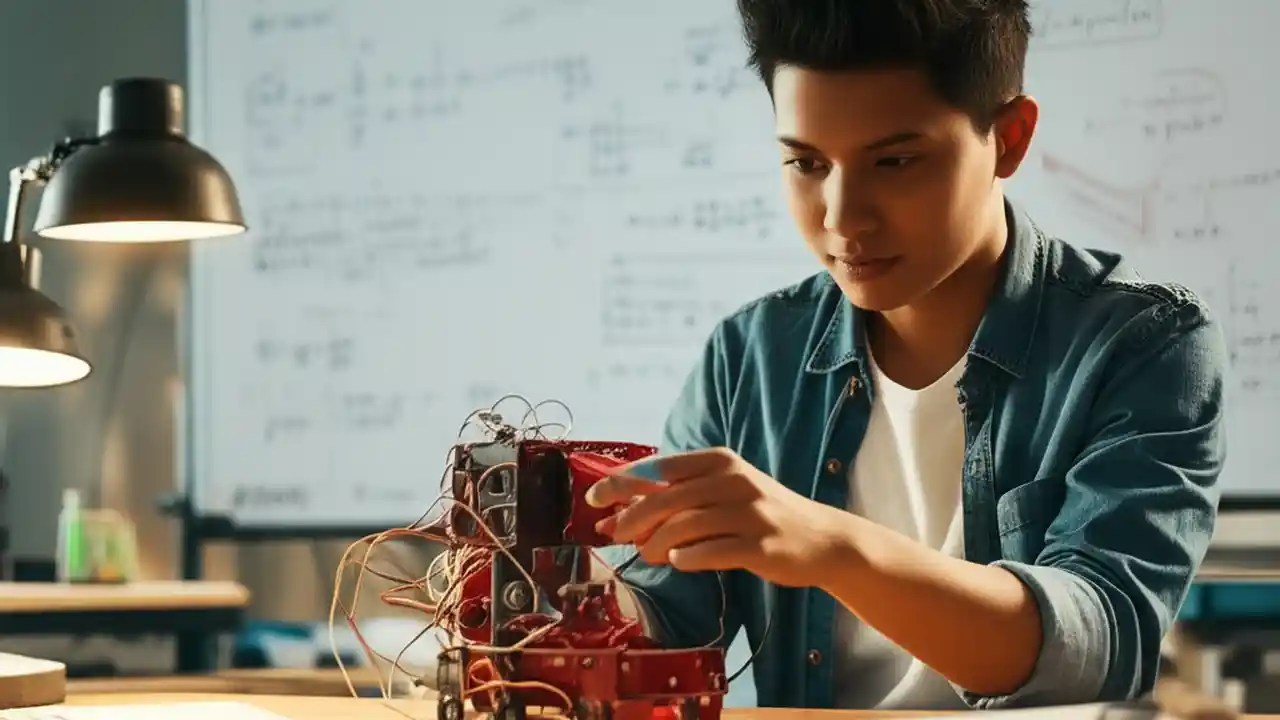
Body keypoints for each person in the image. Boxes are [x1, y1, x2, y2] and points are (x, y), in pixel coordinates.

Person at [587, 0, 1225, 710]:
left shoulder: (1144, 345)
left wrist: (832, 547)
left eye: (894, 161)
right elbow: (666, 626)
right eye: (805, 162)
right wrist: (556, 591)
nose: (842, 217)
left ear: (1008, 139)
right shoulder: (750, 355)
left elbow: (1101, 645)